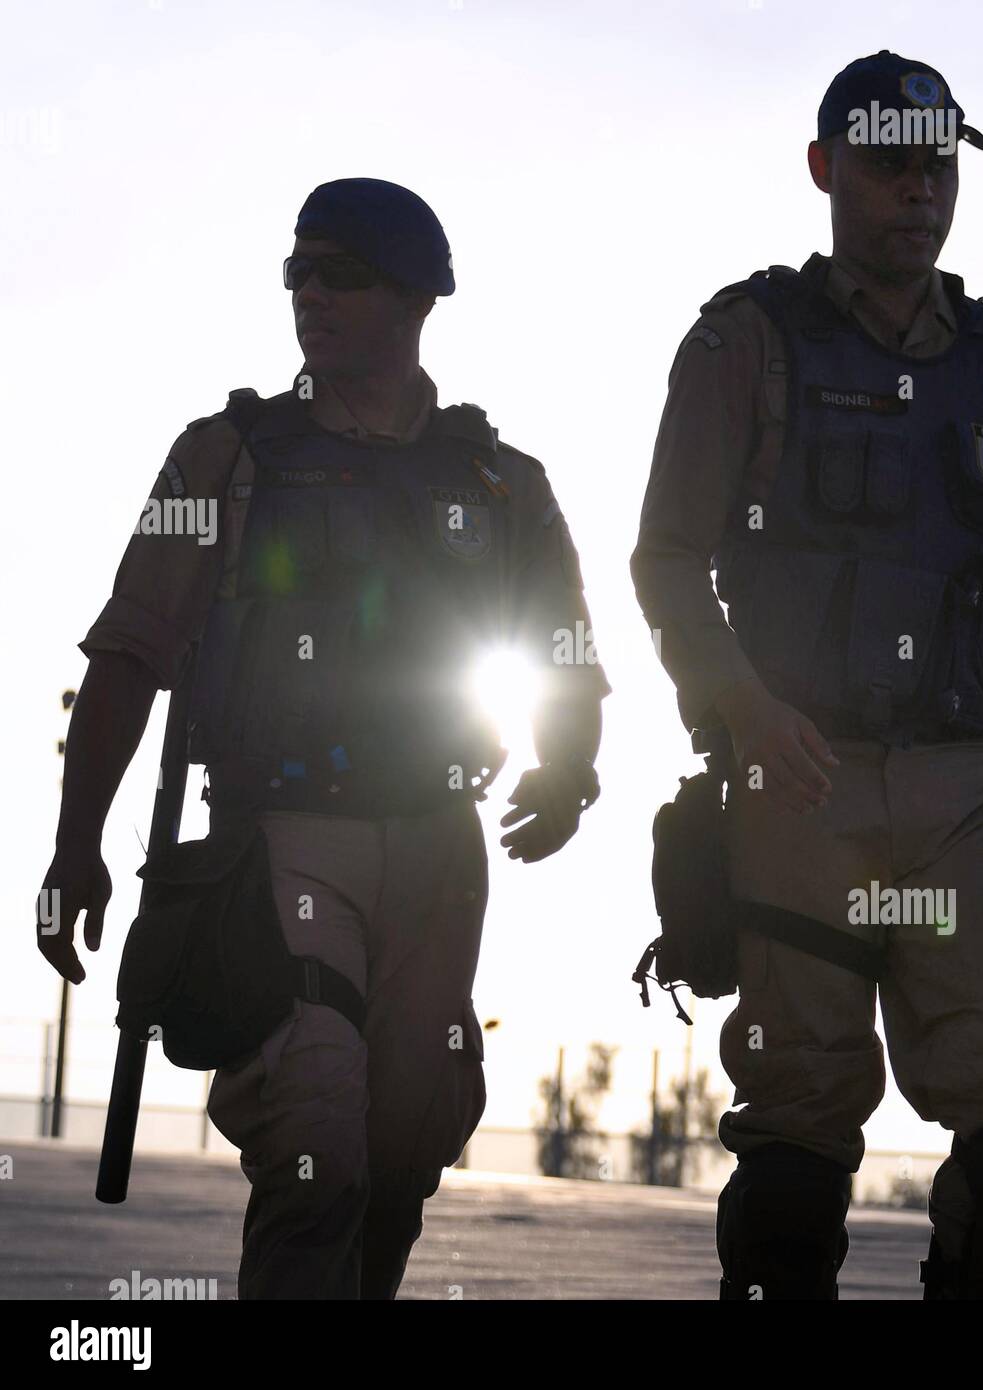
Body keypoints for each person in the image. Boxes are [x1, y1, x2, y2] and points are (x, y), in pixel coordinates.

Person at [39, 177, 609, 1299]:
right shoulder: (226, 456)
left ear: (417, 294)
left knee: (401, 1147)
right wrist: (76, 845)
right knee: (314, 1140)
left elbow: (563, 650)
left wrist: (569, 763)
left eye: (338, 273)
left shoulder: (501, 482)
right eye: (296, 272)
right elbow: (130, 650)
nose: (309, 293)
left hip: (441, 846)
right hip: (281, 832)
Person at [631, 52, 983, 1300]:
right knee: (788, 1173)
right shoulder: (748, 342)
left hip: (969, 793)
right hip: (803, 784)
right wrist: (740, 704)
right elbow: (666, 559)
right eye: (890, 161)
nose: (918, 188)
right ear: (827, 170)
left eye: (937, 162)